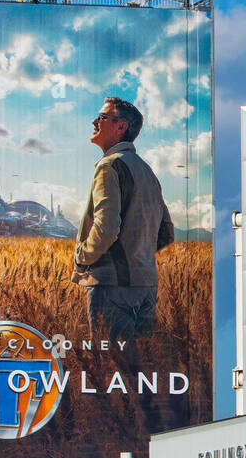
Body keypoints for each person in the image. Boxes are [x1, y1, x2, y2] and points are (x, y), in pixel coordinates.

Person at [74, 97, 174, 343]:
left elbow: (106, 227)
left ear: (121, 127)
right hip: (146, 286)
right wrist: (137, 254)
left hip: (113, 286)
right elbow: (167, 232)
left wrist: (82, 256)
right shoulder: (146, 171)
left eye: (102, 117)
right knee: (137, 367)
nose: (94, 121)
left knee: (110, 366)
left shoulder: (109, 166)